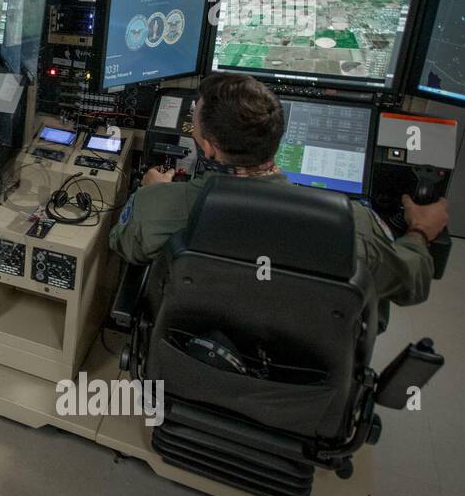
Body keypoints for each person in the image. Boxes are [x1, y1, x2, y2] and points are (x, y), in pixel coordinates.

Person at [110, 72, 449, 331]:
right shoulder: (350, 225)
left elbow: (126, 245)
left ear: (209, 148)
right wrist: (420, 232)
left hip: (195, 360)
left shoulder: (162, 206)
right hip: (301, 389)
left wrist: (149, 193)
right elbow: (412, 285)